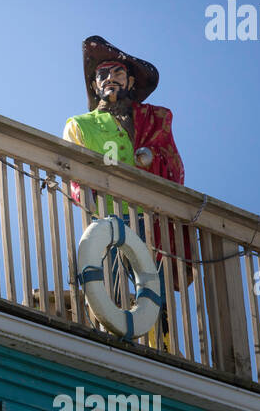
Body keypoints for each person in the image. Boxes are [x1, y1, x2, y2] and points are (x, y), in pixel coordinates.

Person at [62, 37, 188, 331]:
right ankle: (112, 335)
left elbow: (172, 162)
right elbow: (74, 172)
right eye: (102, 74)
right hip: (105, 218)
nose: (110, 79)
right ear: (95, 86)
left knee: (154, 289)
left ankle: (162, 341)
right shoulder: (80, 125)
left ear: (130, 81)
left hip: (148, 218)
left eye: (117, 73)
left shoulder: (152, 121)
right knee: (109, 282)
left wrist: (151, 155)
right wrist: (88, 200)